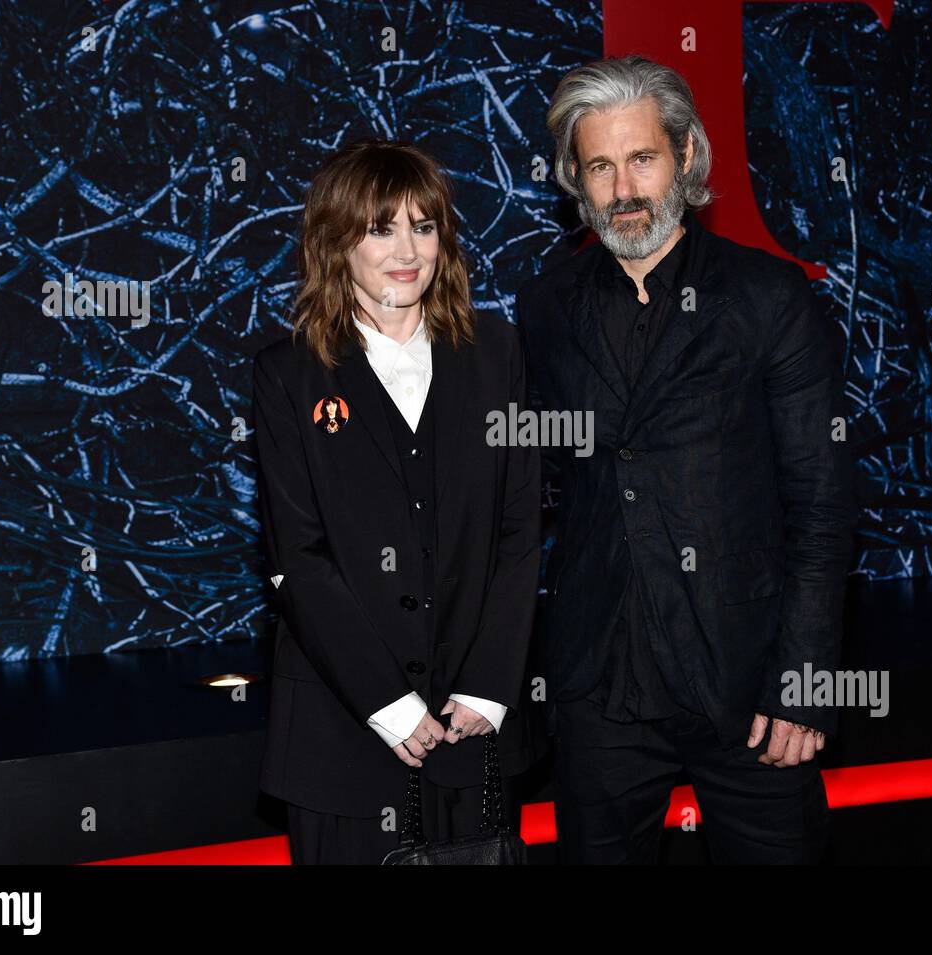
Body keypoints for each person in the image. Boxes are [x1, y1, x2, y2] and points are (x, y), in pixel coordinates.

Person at [518, 55, 857, 864]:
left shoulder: (768, 298)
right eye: (600, 165)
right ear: (574, 177)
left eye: (643, 159)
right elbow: (528, 485)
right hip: (601, 685)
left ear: (688, 157)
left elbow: (823, 503)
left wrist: (802, 683)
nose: (624, 189)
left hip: (747, 687)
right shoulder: (545, 306)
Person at [252, 139, 547, 864]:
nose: (406, 249)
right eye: (380, 228)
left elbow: (520, 532)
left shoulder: (498, 352)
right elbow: (301, 558)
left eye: (424, 225)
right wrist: (388, 702)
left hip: (473, 728)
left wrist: (489, 687)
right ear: (335, 242)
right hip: (341, 740)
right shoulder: (287, 375)